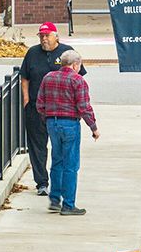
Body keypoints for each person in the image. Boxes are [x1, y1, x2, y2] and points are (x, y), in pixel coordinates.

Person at [19, 22, 86, 195]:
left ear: (56, 36)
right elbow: (24, 77)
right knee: (37, 146)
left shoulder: (67, 52)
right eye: (41, 35)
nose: (44, 39)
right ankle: (41, 183)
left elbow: (79, 78)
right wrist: (26, 99)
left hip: (62, 112)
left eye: (47, 35)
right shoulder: (33, 53)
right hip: (37, 108)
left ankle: (61, 183)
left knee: (61, 150)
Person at [36, 50, 100, 215]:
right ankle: (69, 204)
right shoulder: (78, 81)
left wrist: (48, 118)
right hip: (70, 123)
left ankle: (55, 199)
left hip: (52, 122)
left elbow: (40, 103)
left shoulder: (48, 77)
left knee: (56, 161)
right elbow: (84, 107)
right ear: (75, 64)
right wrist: (93, 127)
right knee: (71, 164)